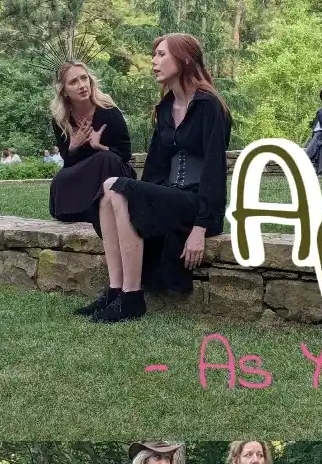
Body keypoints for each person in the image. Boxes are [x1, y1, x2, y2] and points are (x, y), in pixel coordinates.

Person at [78, 33, 231, 324]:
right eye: (154, 55)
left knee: (116, 187)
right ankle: (116, 291)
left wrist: (199, 228)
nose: (153, 61)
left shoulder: (209, 106)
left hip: (198, 205)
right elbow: (156, 168)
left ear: (185, 59)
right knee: (109, 193)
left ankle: (132, 297)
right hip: (170, 197)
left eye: (161, 54)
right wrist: (143, 199)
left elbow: (213, 171)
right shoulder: (164, 109)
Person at [49, 60, 134, 238]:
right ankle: (81, 212)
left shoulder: (109, 110)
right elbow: (69, 162)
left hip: (113, 168)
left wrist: (100, 146)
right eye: (73, 82)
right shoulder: (61, 120)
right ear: (64, 91)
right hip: (86, 173)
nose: (81, 85)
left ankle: (103, 208)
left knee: (104, 158)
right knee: (59, 179)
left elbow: (125, 152)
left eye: (84, 78)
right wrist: (73, 147)